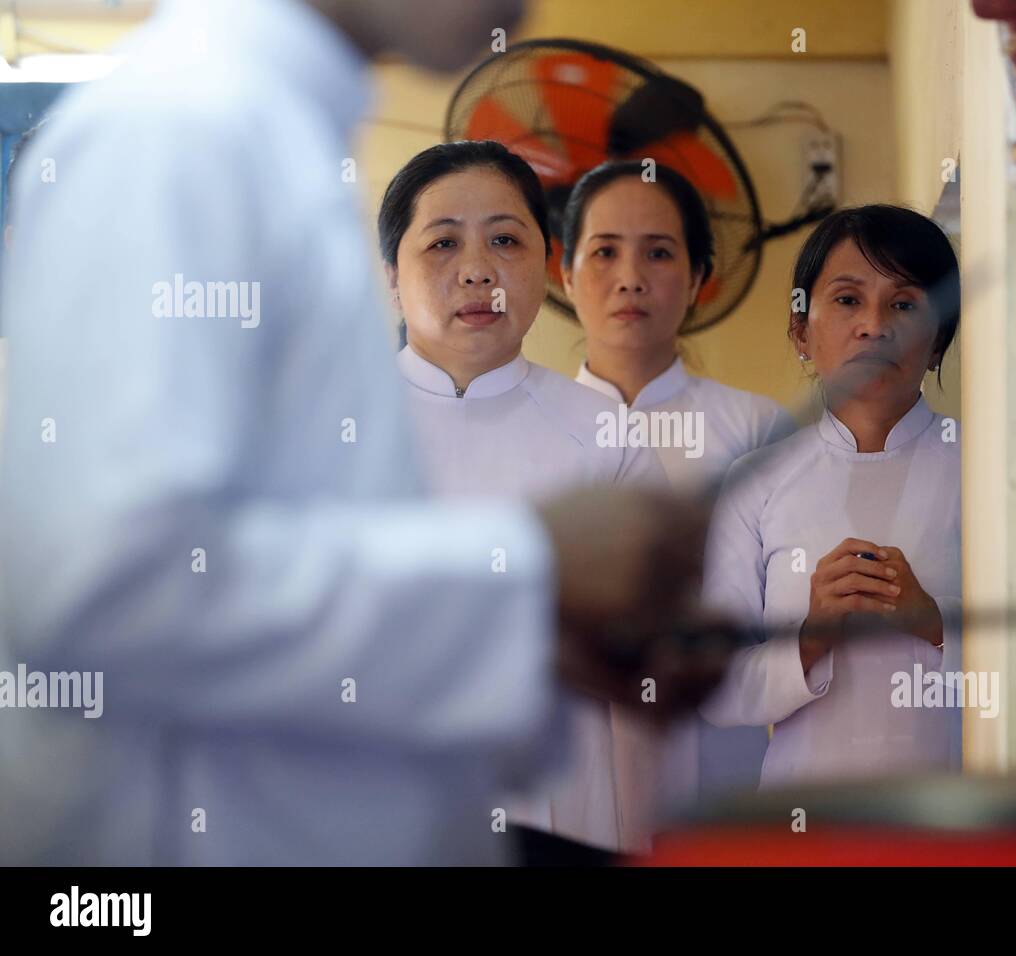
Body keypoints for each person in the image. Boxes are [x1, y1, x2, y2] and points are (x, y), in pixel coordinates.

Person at [0, 0, 717, 865]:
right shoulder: (183, 132)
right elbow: (102, 584)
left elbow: (270, 605)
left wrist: (550, 639)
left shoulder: (281, 140)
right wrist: (527, 569)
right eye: (442, 244)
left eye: (505, 239)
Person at [380, 140, 674, 857]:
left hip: (561, 816)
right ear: (391, 277)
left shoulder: (606, 435)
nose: (477, 270)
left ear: (545, 266)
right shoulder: (327, 429)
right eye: (443, 243)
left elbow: (656, 644)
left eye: (505, 241)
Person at [700, 204, 963, 787]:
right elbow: (716, 689)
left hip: (955, 821)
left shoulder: (985, 473)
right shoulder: (753, 483)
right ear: (802, 332)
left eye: (904, 304)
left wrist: (934, 624)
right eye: (847, 300)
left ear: (938, 340)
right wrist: (810, 638)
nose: (874, 326)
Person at [562, 161, 794, 805]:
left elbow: (778, 615)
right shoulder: (538, 426)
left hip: (718, 772)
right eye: (604, 251)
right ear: (565, 271)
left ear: (698, 279)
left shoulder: (756, 427)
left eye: (658, 253)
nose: (629, 279)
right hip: (570, 782)